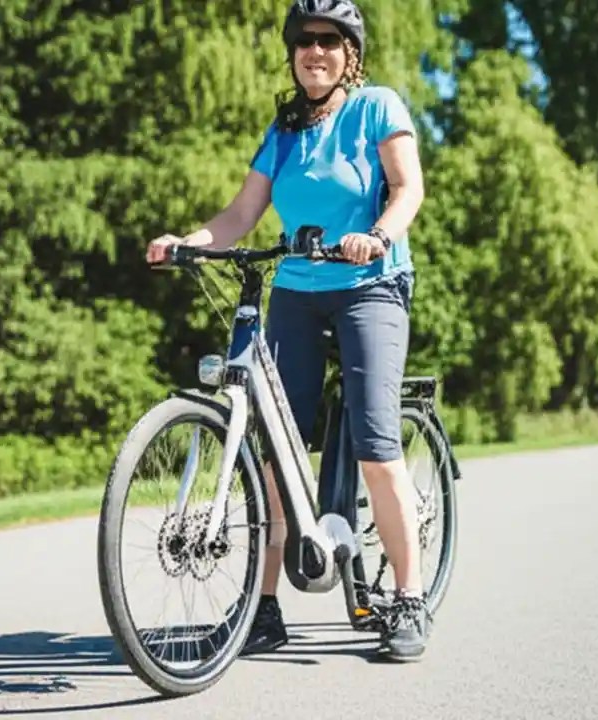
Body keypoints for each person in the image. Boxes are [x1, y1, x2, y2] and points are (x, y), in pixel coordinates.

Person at [144, 0, 431, 661]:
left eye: (329, 40)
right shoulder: (285, 129)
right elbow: (243, 212)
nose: (315, 50)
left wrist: (378, 236)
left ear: (349, 53)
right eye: (304, 40)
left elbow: (407, 188)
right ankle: (263, 609)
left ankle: (409, 599)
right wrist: (186, 243)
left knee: (376, 448)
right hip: (297, 292)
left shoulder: (376, 107)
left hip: (370, 286)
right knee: (274, 454)